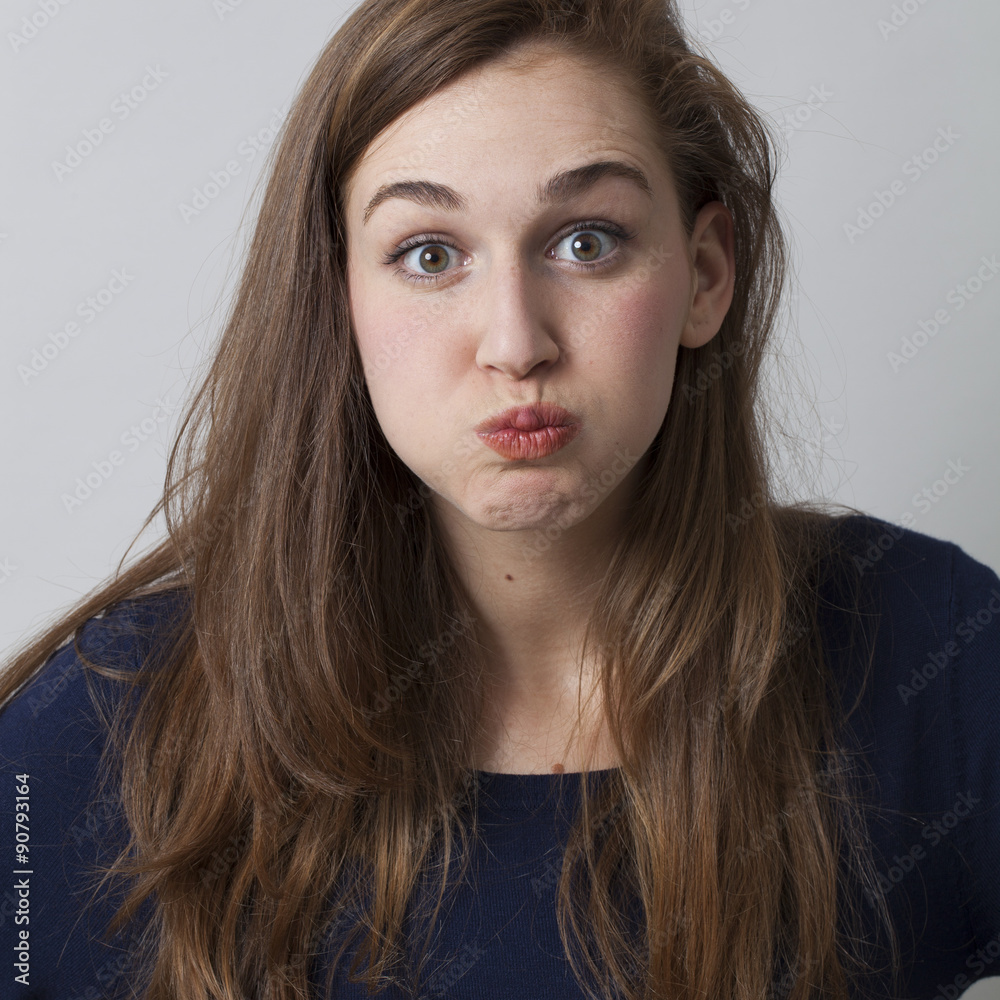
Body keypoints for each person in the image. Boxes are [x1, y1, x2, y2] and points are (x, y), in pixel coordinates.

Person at [2, 0, 998, 997]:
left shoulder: (934, 664)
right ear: (335, 292)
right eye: (429, 255)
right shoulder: (85, 748)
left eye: (587, 242)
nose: (516, 341)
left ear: (704, 274)